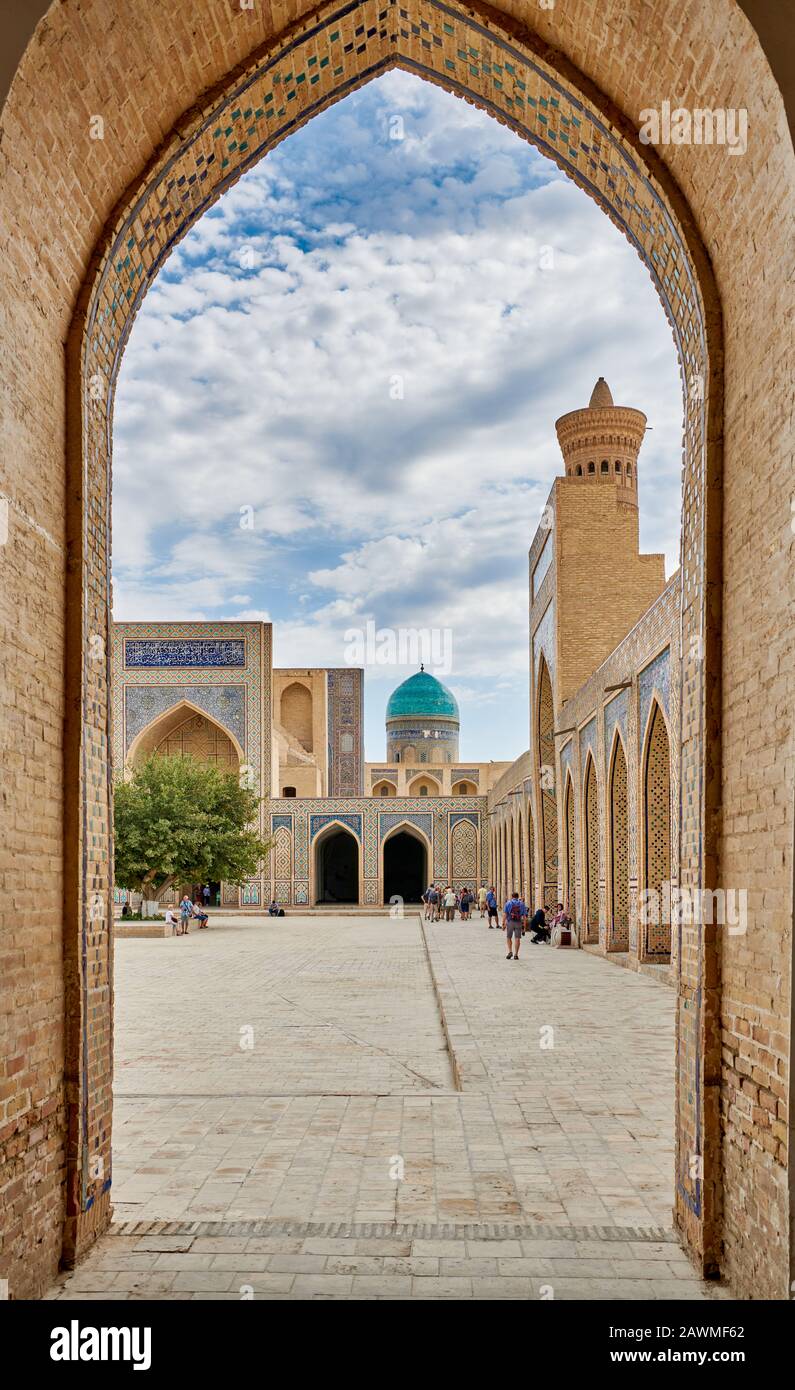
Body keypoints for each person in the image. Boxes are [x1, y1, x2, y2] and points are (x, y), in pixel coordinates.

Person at [502, 889, 528, 959]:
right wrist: (524, 927)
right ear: (518, 896)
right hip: (518, 922)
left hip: (510, 921)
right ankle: (516, 954)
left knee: (509, 937)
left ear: (512, 896)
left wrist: (503, 923)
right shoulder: (522, 904)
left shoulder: (508, 903)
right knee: (517, 938)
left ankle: (510, 951)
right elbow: (524, 916)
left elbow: (505, 914)